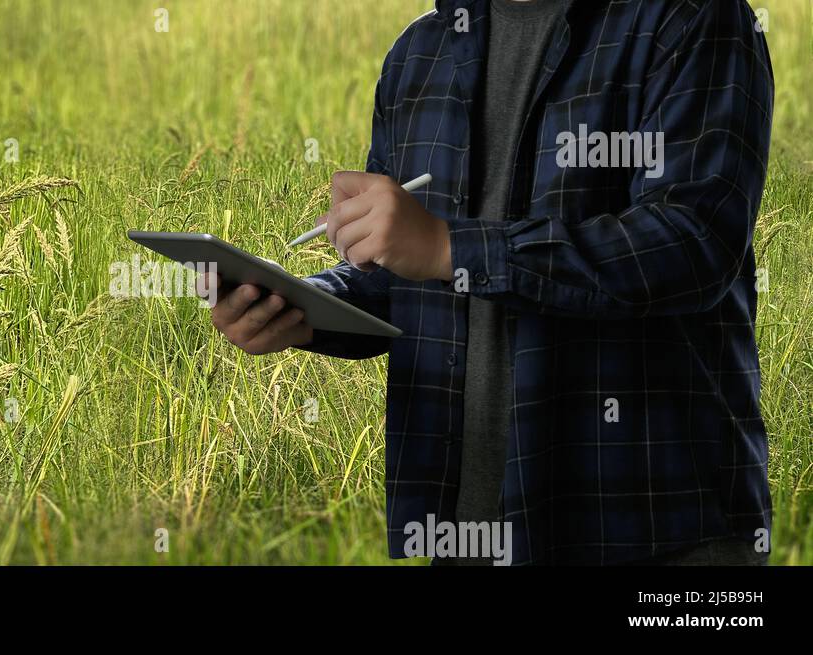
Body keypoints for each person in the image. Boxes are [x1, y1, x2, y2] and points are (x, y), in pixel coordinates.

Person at [199, 0, 773, 565]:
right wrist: (303, 305)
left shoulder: (694, 17)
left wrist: (449, 247)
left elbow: (690, 243)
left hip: (654, 529)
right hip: (466, 530)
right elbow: (404, 271)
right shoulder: (422, 50)